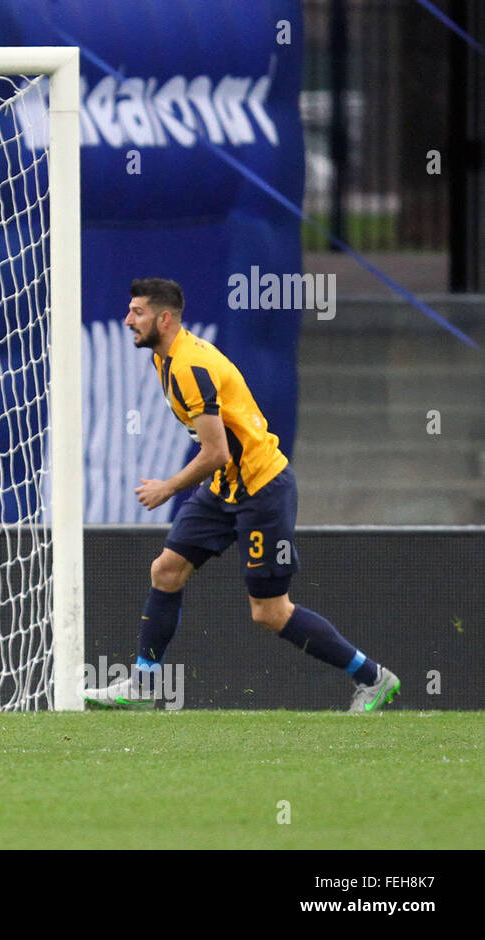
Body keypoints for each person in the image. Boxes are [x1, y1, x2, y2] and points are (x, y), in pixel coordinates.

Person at [83, 278, 400, 712]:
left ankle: (373, 677)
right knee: (166, 570)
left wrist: (168, 487)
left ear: (164, 318)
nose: (127, 320)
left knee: (269, 612)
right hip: (224, 487)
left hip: (261, 489)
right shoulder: (165, 358)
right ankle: (143, 685)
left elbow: (216, 452)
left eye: (137, 312)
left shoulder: (189, 366)